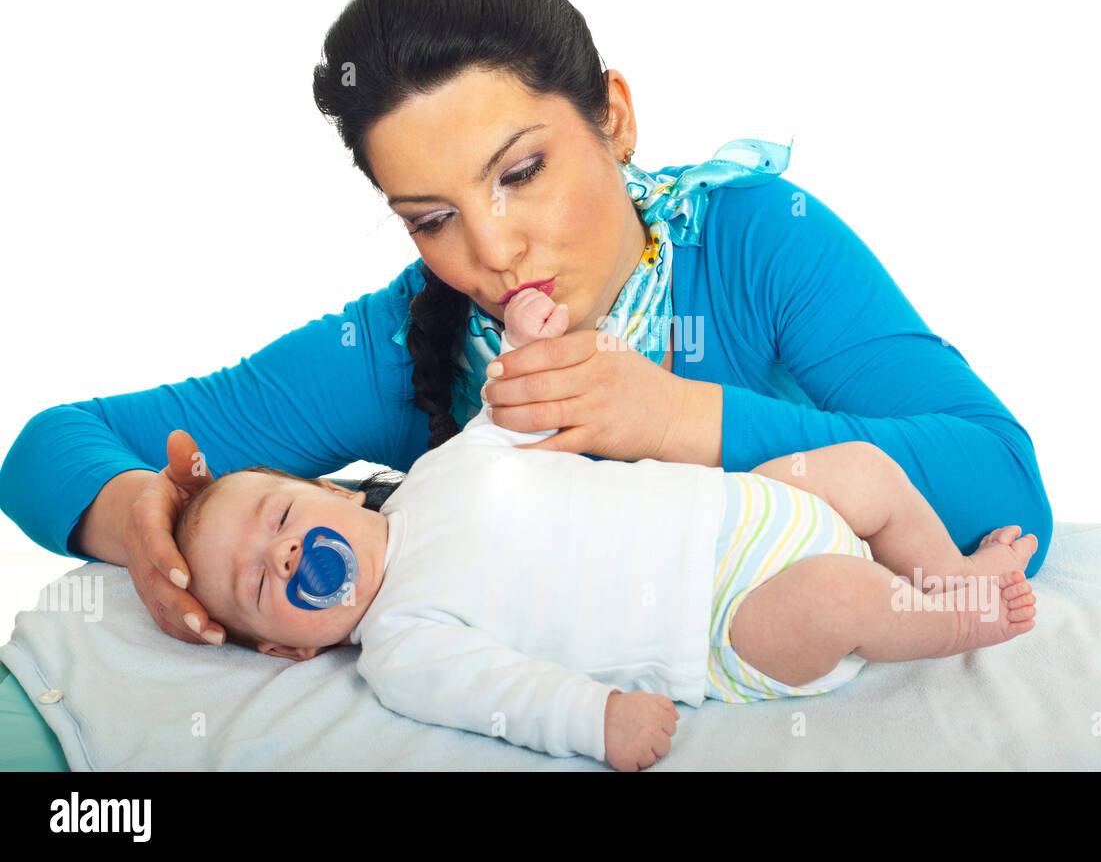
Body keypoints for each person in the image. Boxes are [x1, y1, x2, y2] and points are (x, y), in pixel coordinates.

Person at [0, 0, 1053, 650]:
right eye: (431, 216)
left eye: (519, 172)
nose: (494, 249)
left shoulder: (754, 241)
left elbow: (1008, 493)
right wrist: (128, 510)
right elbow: (53, 443)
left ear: (615, 117)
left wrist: (681, 420)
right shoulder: (405, 340)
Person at [171, 285, 1038, 771]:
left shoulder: (440, 476)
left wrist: (522, 344)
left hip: (747, 505)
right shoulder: (404, 648)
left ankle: (948, 568)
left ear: (344, 495)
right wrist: (599, 717)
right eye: (259, 582)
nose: (282, 553)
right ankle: (963, 615)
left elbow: (508, 419)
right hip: (724, 623)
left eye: (282, 517)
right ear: (288, 650)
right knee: (843, 600)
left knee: (861, 470)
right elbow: (509, 697)